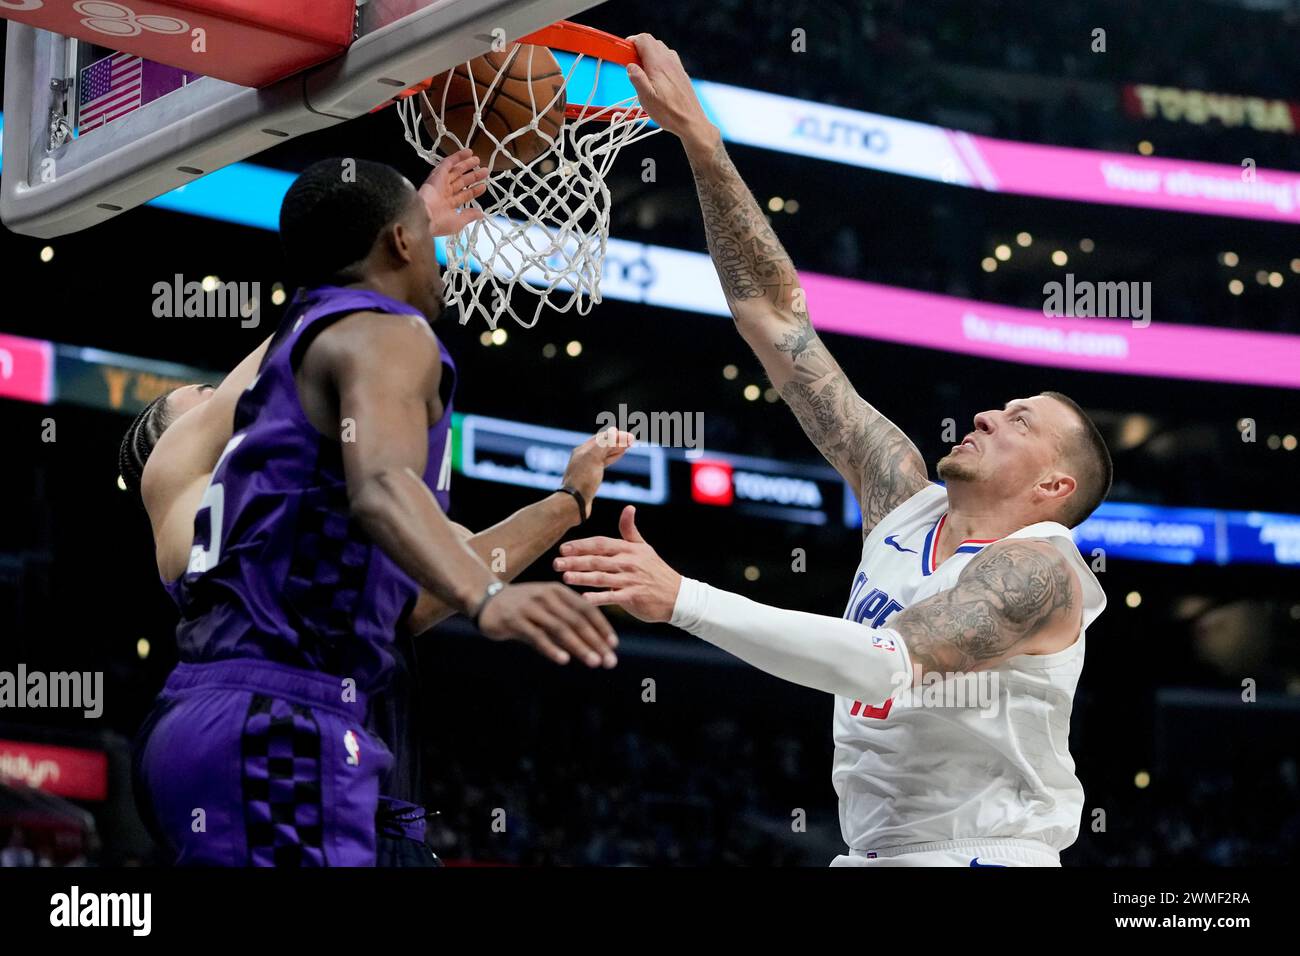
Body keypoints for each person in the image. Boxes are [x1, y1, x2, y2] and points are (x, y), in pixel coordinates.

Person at [554, 34, 1111, 867]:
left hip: (984, 856)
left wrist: (683, 599)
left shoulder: (1041, 568)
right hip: (880, 852)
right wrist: (700, 142)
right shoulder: (902, 498)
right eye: (1001, 405)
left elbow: (887, 665)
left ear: (1055, 484)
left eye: (1021, 420)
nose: (991, 415)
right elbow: (778, 322)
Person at [133, 150, 619, 866]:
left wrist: (568, 502)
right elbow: (383, 487)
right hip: (284, 723)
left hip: (196, 719)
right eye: (419, 236)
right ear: (398, 242)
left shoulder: (279, 388)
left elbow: (411, 600)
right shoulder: (385, 334)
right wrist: (487, 598)